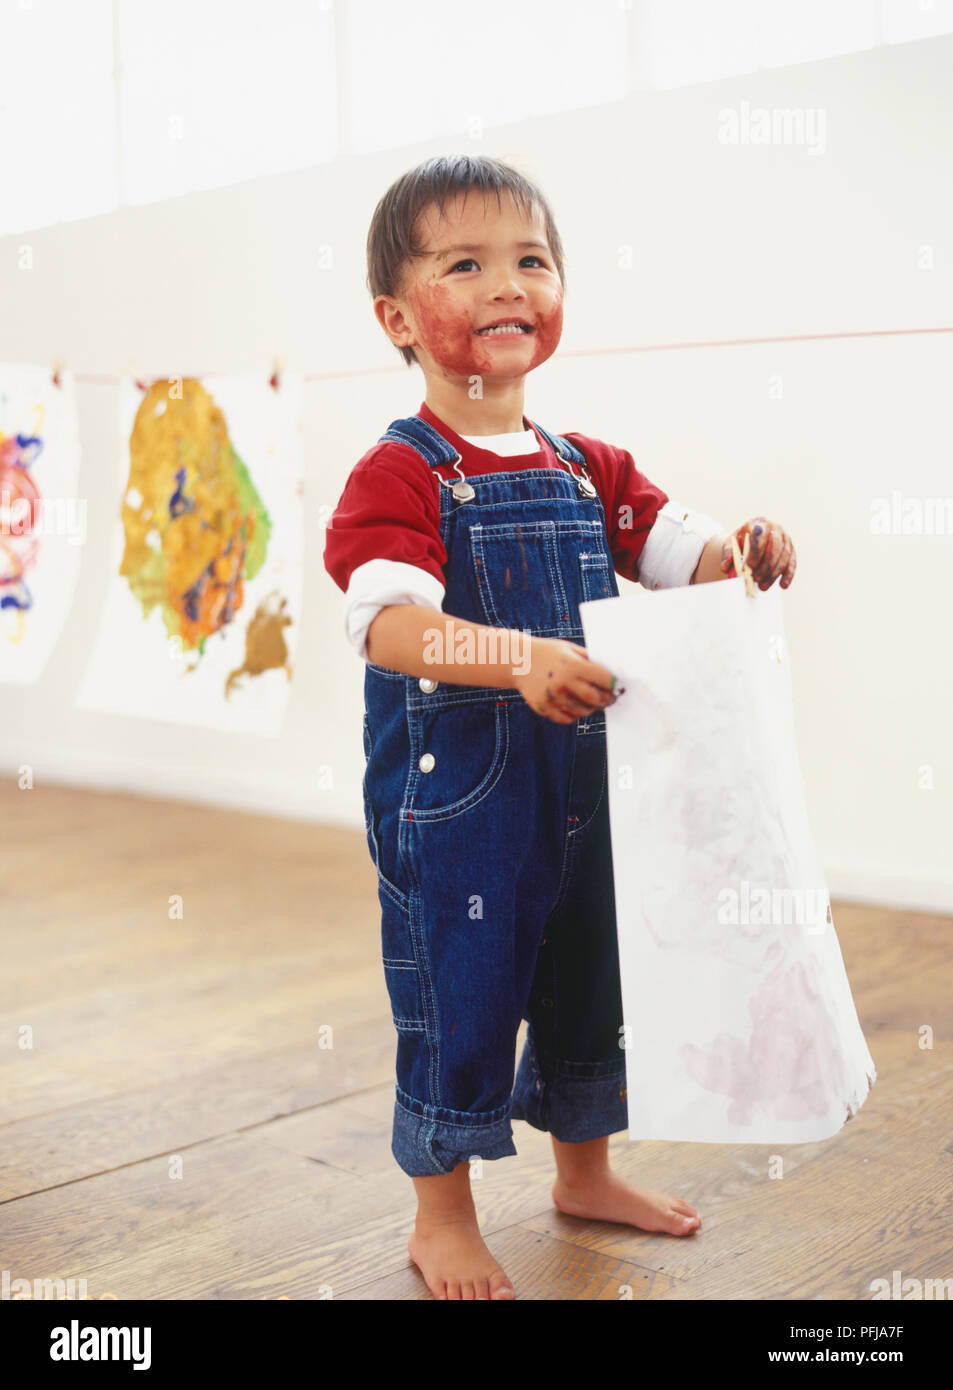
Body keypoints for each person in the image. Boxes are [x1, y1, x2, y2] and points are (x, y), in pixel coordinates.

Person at [324, 155, 796, 1300]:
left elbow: (689, 561)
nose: (508, 285)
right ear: (395, 315)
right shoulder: (402, 472)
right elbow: (388, 627)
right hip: (462, 813)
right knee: (462, 990)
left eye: (531, 260)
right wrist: (514, 659)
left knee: (593, 981)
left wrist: (748, 551)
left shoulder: (590, 468)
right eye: (465, 264)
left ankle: (582, 1170)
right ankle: (441, 1212)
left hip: (591, 791)